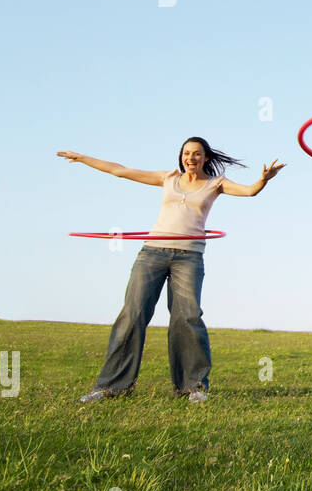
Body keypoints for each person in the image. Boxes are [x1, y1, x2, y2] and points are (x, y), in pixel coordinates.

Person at [58, 139, 283, 404]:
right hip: (152, 253)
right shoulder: (168, 178)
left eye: (197, 154)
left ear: (206, 158)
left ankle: (193, 388)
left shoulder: (216, 183)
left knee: (187, 318)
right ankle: (110, 387)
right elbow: (120, 170)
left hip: (188, 257)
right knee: (132, 315)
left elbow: (249, 192)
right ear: (181, 156)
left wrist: (264, 180)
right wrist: (83, 158)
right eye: (187, 153)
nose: (191, 158)